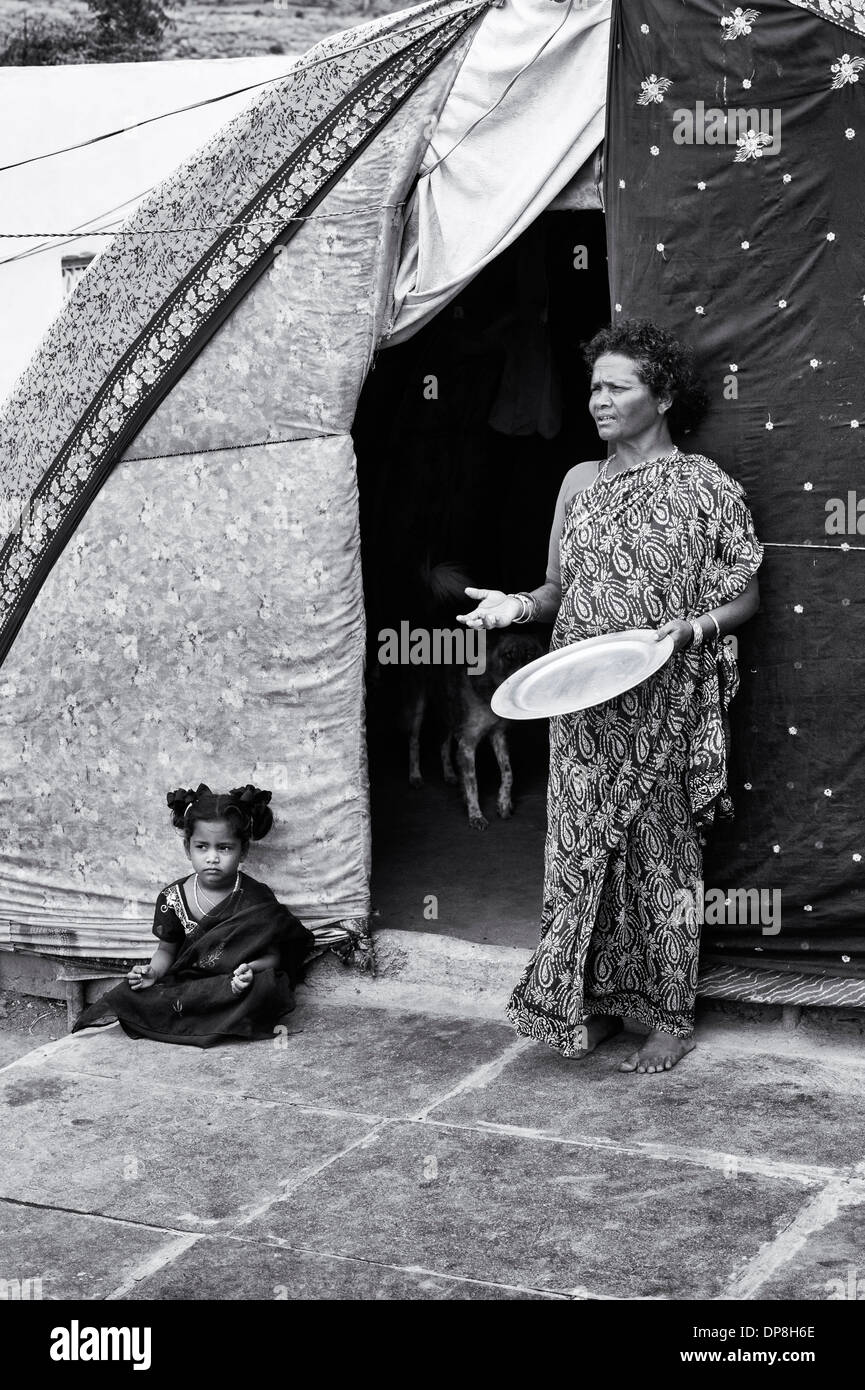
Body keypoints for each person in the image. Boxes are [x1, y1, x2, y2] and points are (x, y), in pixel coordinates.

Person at [457, 320, 763, 1074]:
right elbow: (557, 589)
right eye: (592, 386)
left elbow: (745, 597)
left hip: (661, 700)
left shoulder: (705, 486)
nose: (597, 400)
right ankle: (585, 1005)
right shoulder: (577, 484)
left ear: (659, 397)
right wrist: (514, 608)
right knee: (579, 853)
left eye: (614, 386)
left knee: (661, 857)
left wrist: (687, 634)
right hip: (582, 703)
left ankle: (668, 1016)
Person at [73, 783, 314, 1047]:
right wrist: (152, 972)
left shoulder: (255, 897)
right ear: (188, 849)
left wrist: (248, 971)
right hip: (190, 986)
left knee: (265, 988)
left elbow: (272, 957)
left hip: (231, 985)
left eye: (224, 848)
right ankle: (216, 1024)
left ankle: (207, 1020)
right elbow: (166, 951)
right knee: (129, 994)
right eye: (202, 847)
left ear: (243, 850)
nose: (212, 857)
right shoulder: (172, 898)